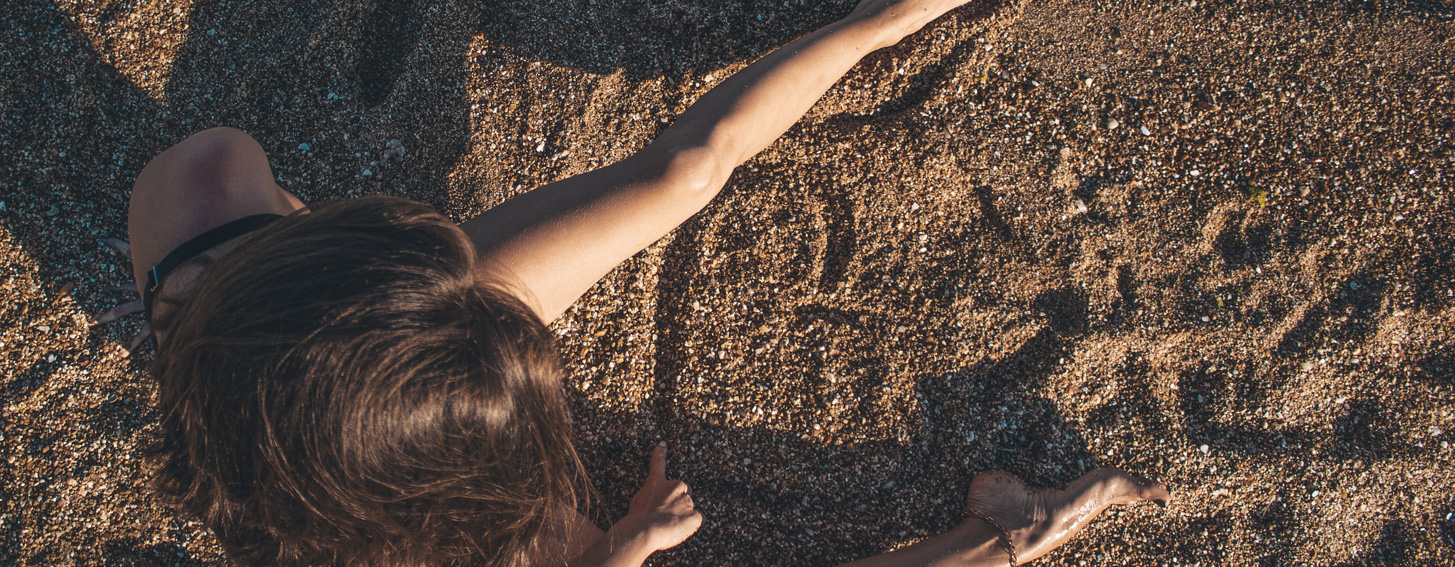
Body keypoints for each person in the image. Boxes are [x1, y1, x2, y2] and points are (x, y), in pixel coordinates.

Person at [98, 0, 1171, 566]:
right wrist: (613, 554)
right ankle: (1011, 534)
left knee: (675, 177)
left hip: (361, 363)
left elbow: (689, 162)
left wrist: (885, 20)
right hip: (388, 454)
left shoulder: (202, 197)